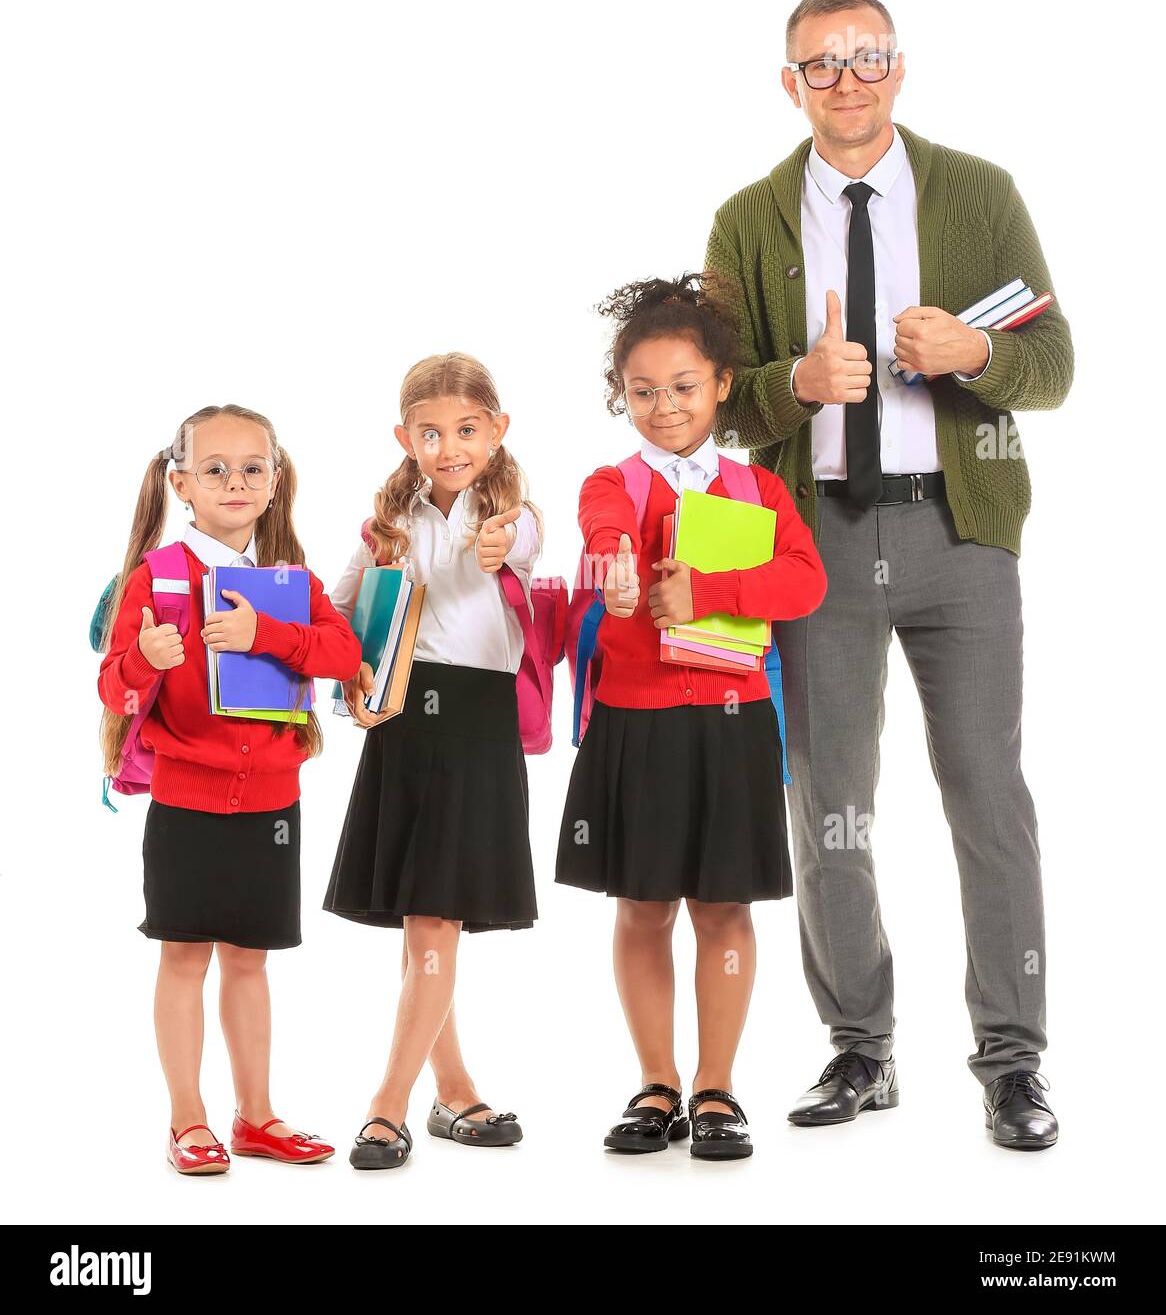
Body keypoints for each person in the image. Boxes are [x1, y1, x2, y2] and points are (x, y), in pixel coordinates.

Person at [704, 0, 1073, 1149]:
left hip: (960, 534)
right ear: (790, 84)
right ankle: (860, 1047)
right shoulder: (749, 218)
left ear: (898, 68)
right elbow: (712, 408)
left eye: (865, 58)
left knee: (987, 798)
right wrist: (793, 387)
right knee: (831, 805)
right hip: (810, 538)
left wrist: (975, 354)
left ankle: (1011, 1063)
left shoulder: (977, 194)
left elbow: (1053, 363)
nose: (846, 80)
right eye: (821, 64)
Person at [556, 275, 826, 1160]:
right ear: (619, 396)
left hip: (732, 716)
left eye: (682, 387)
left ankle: (715, 1090)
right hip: (634, 721)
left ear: (719, 383)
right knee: (641, 908)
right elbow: (602, 538)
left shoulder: (757, 486)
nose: (663, 407)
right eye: (641, 392)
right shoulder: (614, 483)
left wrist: (703, 588)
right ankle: (655, 1085)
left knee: (723, 909)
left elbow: (805, 581)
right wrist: (617, 566)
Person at [97, 404, 362, 1174]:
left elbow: (342, 656)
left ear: (276, 482)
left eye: (253, 468)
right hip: (186, 803)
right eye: (215, 469)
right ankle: (188, 1120)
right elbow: (113, 690)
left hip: (274, 804)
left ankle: (257, 1118)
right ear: (181, 482)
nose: (236, 482)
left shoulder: (287, 581)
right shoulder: (158, 578)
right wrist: (144, 657)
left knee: (251, 960)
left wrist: (264, 635)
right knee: (184, 958)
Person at [323, 352, 541, 1170]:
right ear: (404, 438)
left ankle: (389, 1105)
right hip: (405, 721)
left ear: (498, 430)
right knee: (428, 914)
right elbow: (340, 611)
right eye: (431, 433)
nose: (450, 446)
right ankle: (453, 1090)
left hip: (476, 725)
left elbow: (516, 545)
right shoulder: (388, 523)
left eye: (468, 429)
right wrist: (349, 679)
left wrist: (498, 541)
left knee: (435, 916)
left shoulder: (518, 515)